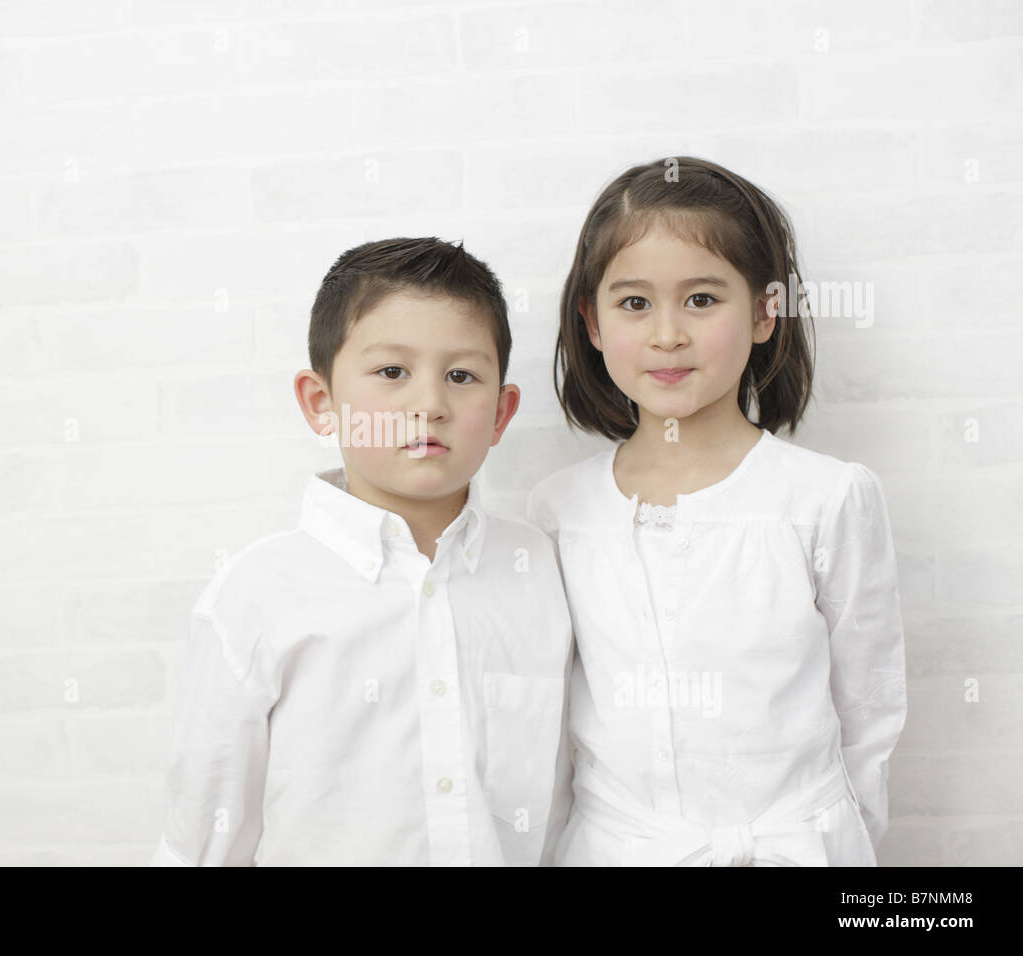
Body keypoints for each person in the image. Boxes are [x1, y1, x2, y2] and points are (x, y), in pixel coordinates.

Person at [528, 157, 906, 866]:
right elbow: (549, 732)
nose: (667, 334)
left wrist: (842, 840)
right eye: (634, 304)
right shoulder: (559, 512)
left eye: (702, 300)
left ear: (765, 313)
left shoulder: (825, 499)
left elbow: (869, 709)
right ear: (593, 322)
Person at [154, 237, 574, 866]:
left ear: (500, 413)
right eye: (391, 373)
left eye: (461, 376)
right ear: (322, 403)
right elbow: (204, 840)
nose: (429, 405)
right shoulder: (256, 598)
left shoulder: (544, 572)